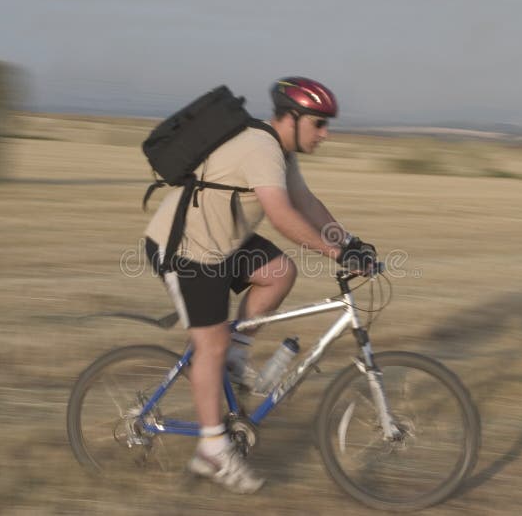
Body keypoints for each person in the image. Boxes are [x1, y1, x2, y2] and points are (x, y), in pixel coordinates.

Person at [143, 77, 376, 493]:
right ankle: (212, 450)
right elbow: (284, 216)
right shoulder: (261, 148)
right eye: (319, 124)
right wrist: (337, 254)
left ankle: (232, 359)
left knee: (279, 272)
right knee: (209, 346)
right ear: (293, 117)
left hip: (222, 244)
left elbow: (306, 204)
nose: (325, 134)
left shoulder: (282, 153)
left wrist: (351, 242)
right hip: (185, 250)